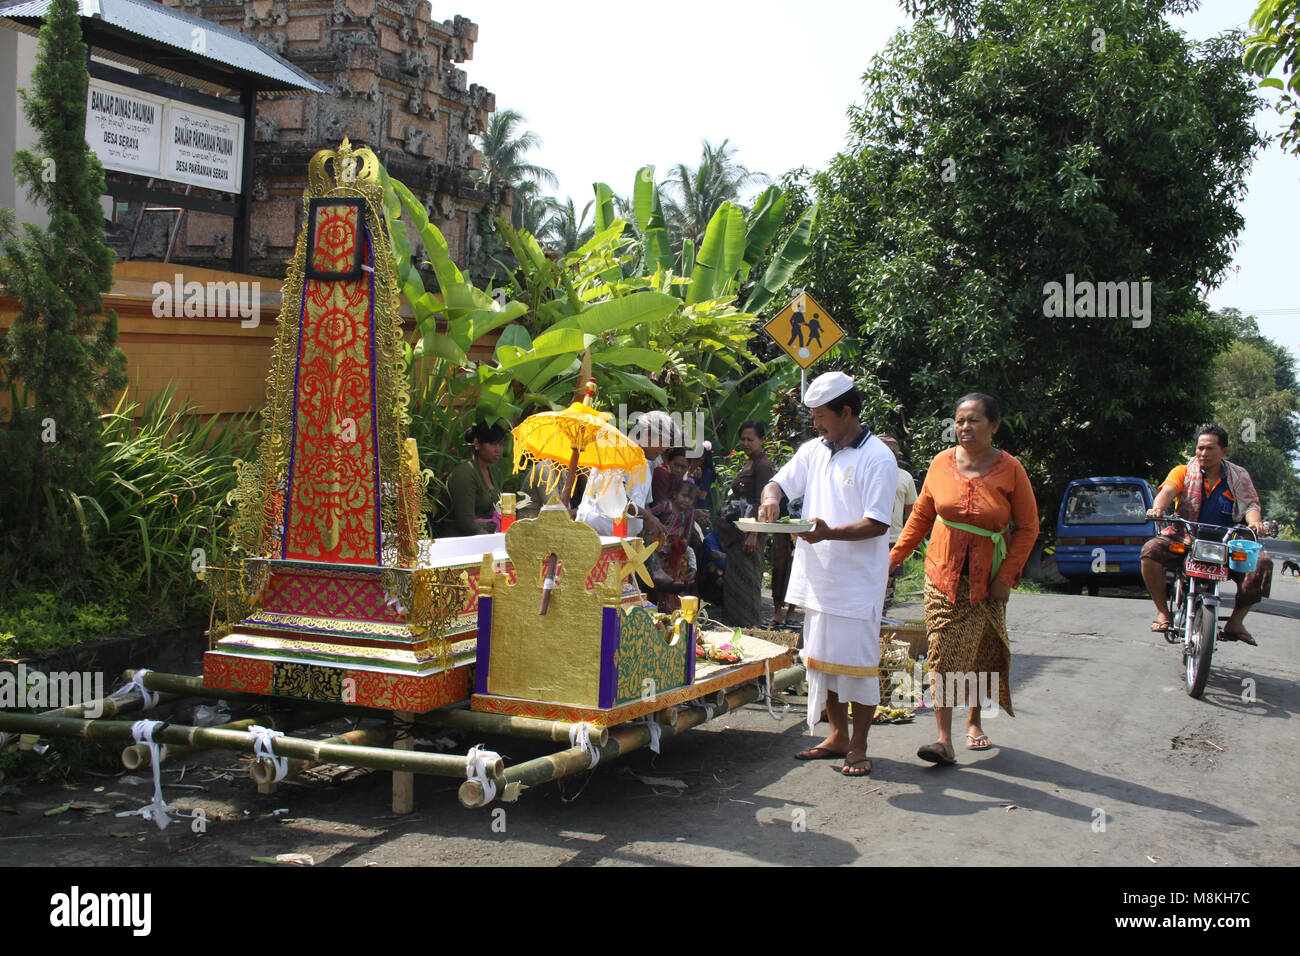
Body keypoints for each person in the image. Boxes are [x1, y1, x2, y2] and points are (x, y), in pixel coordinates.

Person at [758, 371, 897, 777]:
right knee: (823, 662)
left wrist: (828, 533)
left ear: (847, 412)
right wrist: (771, 498)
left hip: (855, 584)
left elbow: (876, 523)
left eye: (822, 416)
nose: (816, 425)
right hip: (818, 581)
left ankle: (859, 745)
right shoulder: (814, 451)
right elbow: (779, 482)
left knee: (857, 665)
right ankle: (837, 735)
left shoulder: (877, 458)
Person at [889, 393, 1039, 765]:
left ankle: (974, 721)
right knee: (942, 652)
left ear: (994, 426)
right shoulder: (941, 463)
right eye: (959, 421)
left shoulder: (1011, 469)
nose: (964, 428)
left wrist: (1006, 576)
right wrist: (893, 559)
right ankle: (943, 739)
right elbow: (922, 516)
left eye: (973, 420)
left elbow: (1028, 527)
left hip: (988, 579)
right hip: (943, 574)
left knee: (982, 651)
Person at [1141, 424, 1272, 645]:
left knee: (1262, 564)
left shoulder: (1239, 476)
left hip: (1228, 543)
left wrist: (1256, 523)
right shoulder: (1182, 471)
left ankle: (1236, 621)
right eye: (1200, 448)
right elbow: (1168, 491)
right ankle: (1163, 612)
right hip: (1185, 537)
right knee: (1150, 551)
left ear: (1224, 451)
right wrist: (1158, 509)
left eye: (1210, 448)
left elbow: (1250, 505)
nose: (1203, 453)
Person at [716, 420, 775, 627]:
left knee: (747, 581)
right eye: (743, 439)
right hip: (737, 532)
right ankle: (734, 625)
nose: (746, 443)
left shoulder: (763, 466)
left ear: (762, 440)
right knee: (735, 581)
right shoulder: (749, 462)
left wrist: (754, 533)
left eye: (751, 439)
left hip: (750, 532)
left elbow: (763, 502)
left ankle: (750, 627)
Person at [444, 422, 506, 536]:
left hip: (491, 534)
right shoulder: (464, 473)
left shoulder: (495, 472)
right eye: (492, 444)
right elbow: (466, 522)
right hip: (463, 540)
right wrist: (491, 542)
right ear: (477, 443)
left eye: (501, 444)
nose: (498, 450)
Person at [879, 434, 918, 607]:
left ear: (895, 455)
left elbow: (912, 510)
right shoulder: (863, 473)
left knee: (887, 589)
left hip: (893, 540)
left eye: (889, 452)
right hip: (867, 538)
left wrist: (907, 538)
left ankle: (883, 626)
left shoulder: (905, 477)